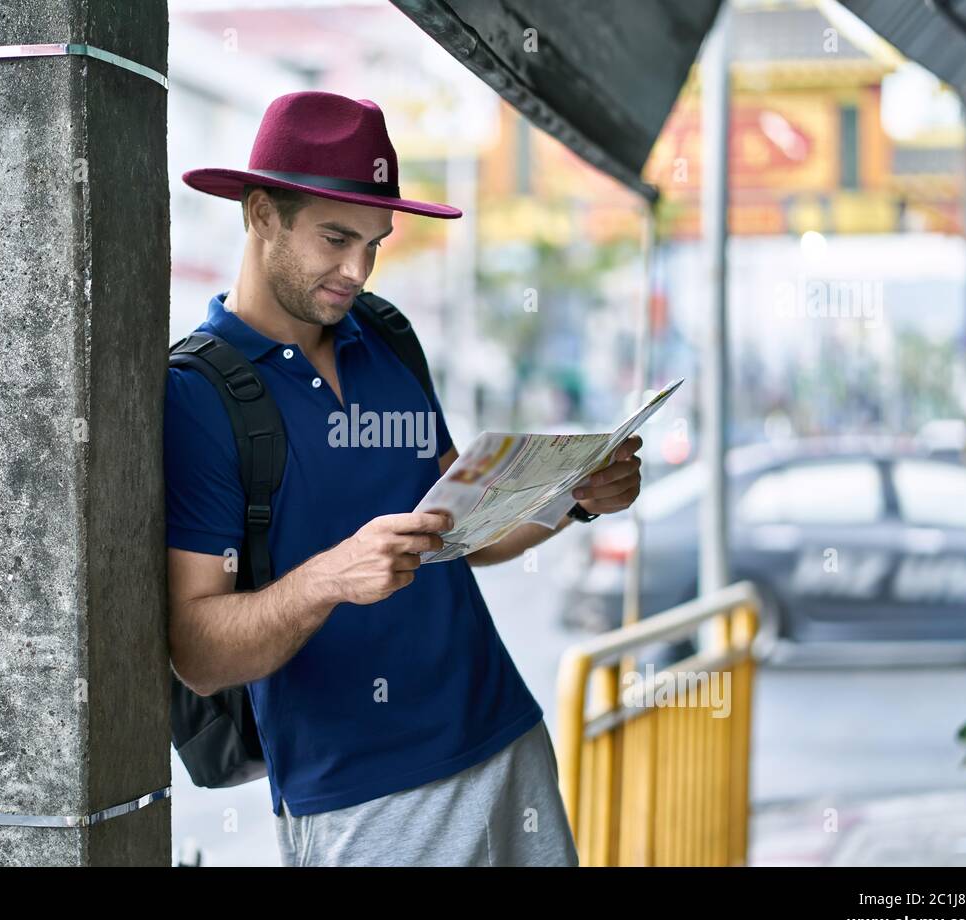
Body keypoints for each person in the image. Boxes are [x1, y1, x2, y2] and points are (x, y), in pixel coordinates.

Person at [168, 91, 642, 866]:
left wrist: (573, 498)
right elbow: (199, 649)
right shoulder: (197, 395)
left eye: (375, 243)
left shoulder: (384, 331)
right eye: (335, 238)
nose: (356, 269)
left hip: (506, 736)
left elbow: (459, 531)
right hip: (366, 796)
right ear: (260, 214)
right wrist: (329, 577)